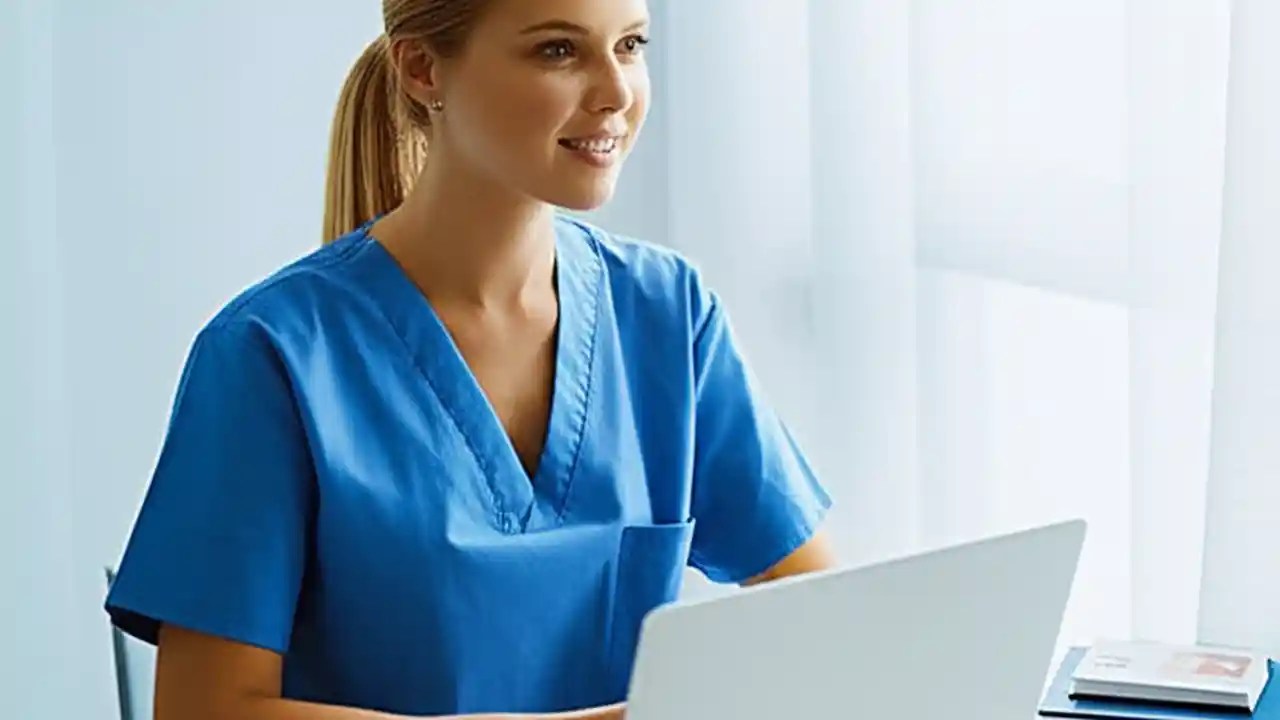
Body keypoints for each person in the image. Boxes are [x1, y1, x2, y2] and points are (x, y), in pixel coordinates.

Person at [103, 0, 836, 718]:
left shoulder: (669, 315)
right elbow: (204, 710)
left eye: (631, 46)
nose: (617, 93)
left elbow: (833, 621)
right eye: (559, 50)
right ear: (423, 69)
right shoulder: (271, 356)